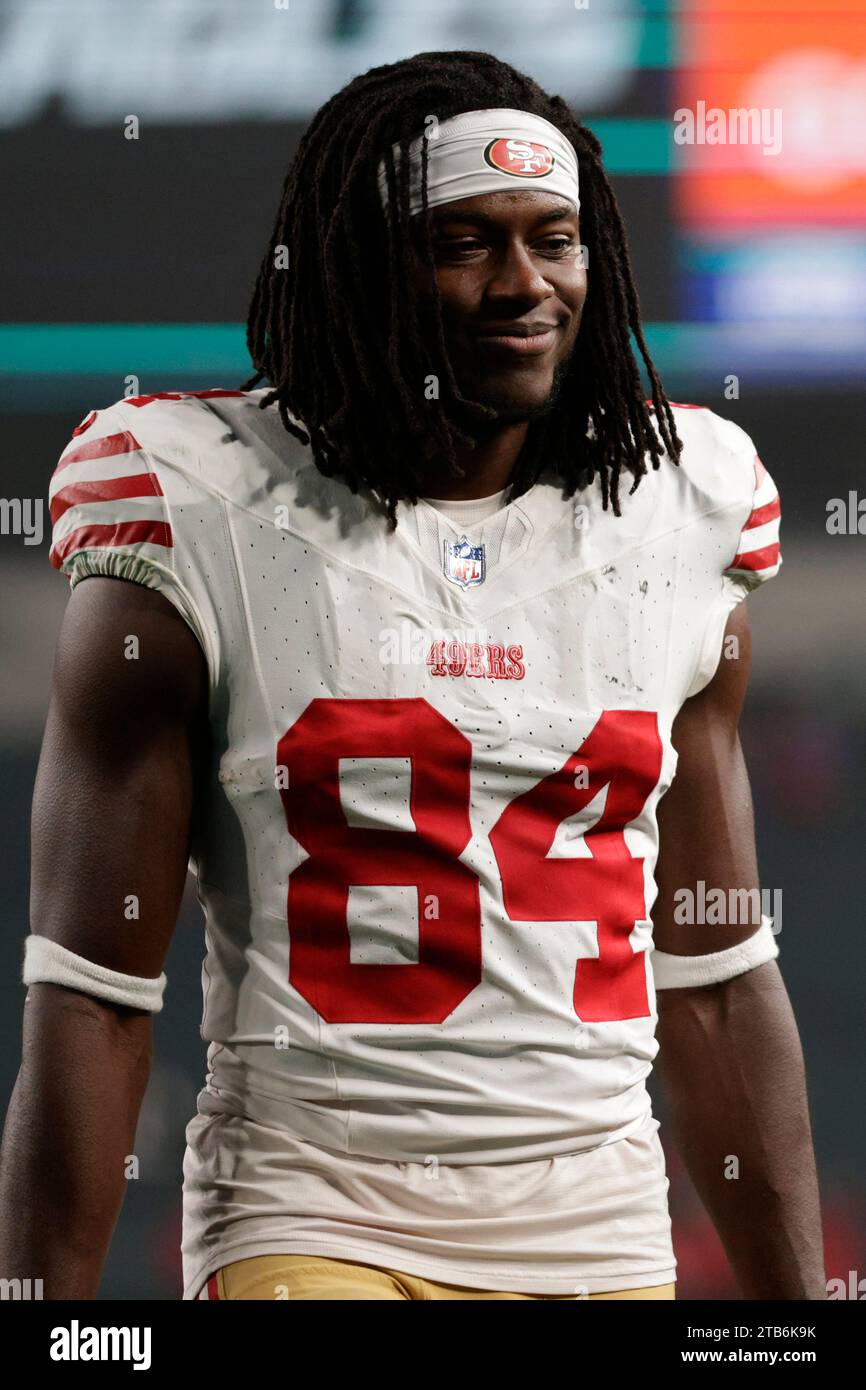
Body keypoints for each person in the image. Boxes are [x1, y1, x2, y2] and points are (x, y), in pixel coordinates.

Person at [0, 50, 824, 1301]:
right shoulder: (195, 503)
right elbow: (96, 994)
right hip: (309, 1203)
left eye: (554, 238)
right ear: (362, 268)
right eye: (463, 243)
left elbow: (712, 978)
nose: (522, 284)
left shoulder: (681, 510)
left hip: (593, 1223)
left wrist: (791, 1318)